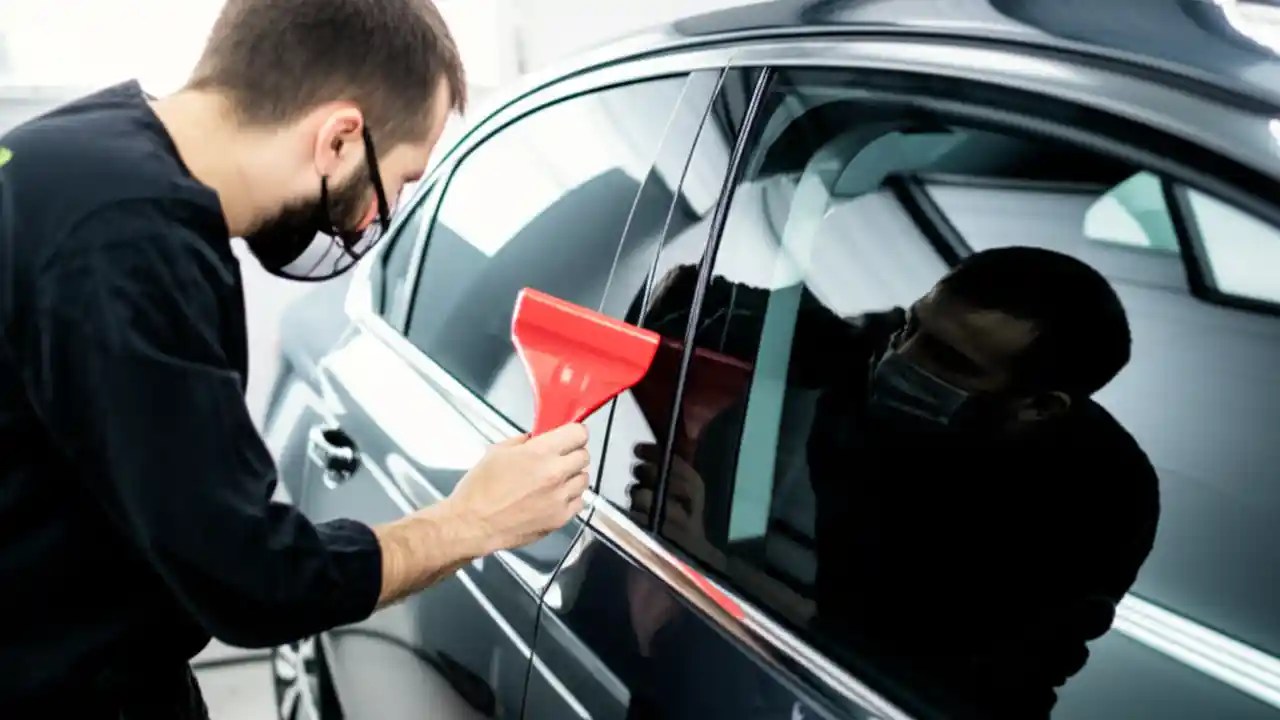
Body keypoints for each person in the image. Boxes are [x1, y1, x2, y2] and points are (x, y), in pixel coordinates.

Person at [0, 1, 591, 717]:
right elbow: (253, 579)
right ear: (339, 139)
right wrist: (475, 520)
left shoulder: (68, 150)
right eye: (399, 182)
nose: (373, 220)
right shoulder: (127, 247)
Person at [631, 247, 1161, 719]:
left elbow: (913, 673)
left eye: (947, 360)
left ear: (1040, 407)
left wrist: (708, 567)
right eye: (913, 326)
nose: (899, 359)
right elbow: (686, 303)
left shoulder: (1096, 503)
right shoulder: (879, 347)